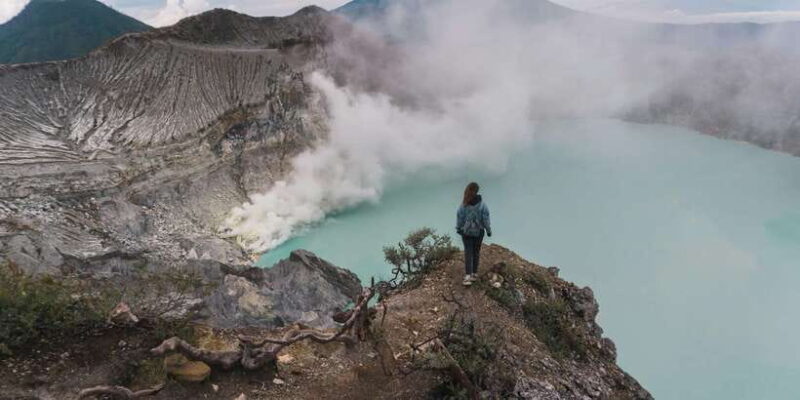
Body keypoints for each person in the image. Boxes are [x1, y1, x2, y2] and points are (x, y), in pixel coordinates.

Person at [456, 182, 491, 286]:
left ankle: (467, 277)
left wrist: (459, 228)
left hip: (466, 232)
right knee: (476, 252)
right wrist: (488, 230)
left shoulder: (463, 205)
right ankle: (474, 274)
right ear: (477, 191)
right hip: (479, 232)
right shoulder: (482, 205)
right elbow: (486, 218)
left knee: (468, 253)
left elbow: (460, 217)